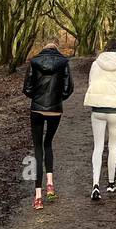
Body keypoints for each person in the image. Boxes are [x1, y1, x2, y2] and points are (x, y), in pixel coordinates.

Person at [23, 40, 73, 209]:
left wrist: (37, 99)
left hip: (36, 109)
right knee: (48, 144)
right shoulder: (63, 63)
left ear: (43, 49)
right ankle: (50, 184)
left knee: (37, 148)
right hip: (55, 110)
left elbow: (27, 88)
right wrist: (57, 100)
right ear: (56, 50)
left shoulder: (34, 62)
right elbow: (69, 88)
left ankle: (38, 196)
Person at [84, 38, 116, 201]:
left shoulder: (96, 63)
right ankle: (111, 184)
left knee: (98, 146)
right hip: (115, 109)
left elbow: (90, 83)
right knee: (113, 146)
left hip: (97, 109)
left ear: (105, 48)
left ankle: (95, 184)